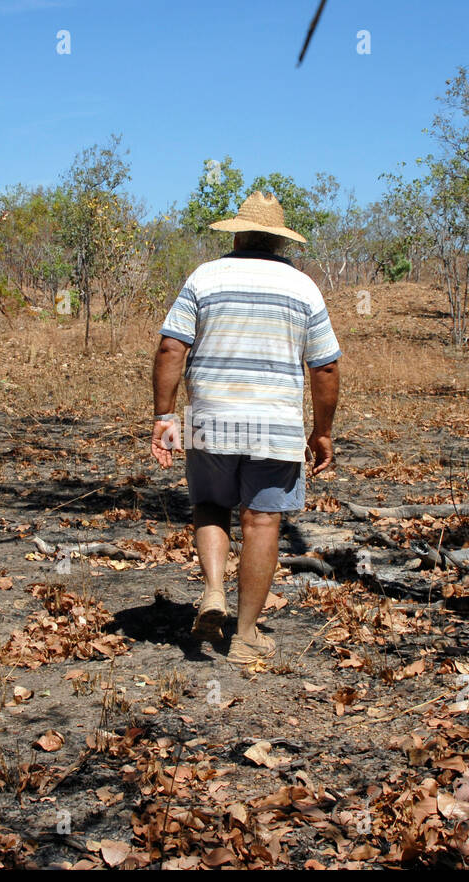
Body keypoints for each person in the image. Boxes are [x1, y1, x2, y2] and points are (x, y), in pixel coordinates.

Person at [150, 191, 341, 665]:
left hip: (209, 419)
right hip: (275, 425)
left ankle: (214, 590)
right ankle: (245, 634)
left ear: (236, 233)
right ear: (278, 240)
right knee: (262, 521)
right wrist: (322, 431)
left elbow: (171, 348)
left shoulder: (205, 277)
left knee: (211, 506)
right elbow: (325, 368)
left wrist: (164, 416)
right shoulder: (303, 287)